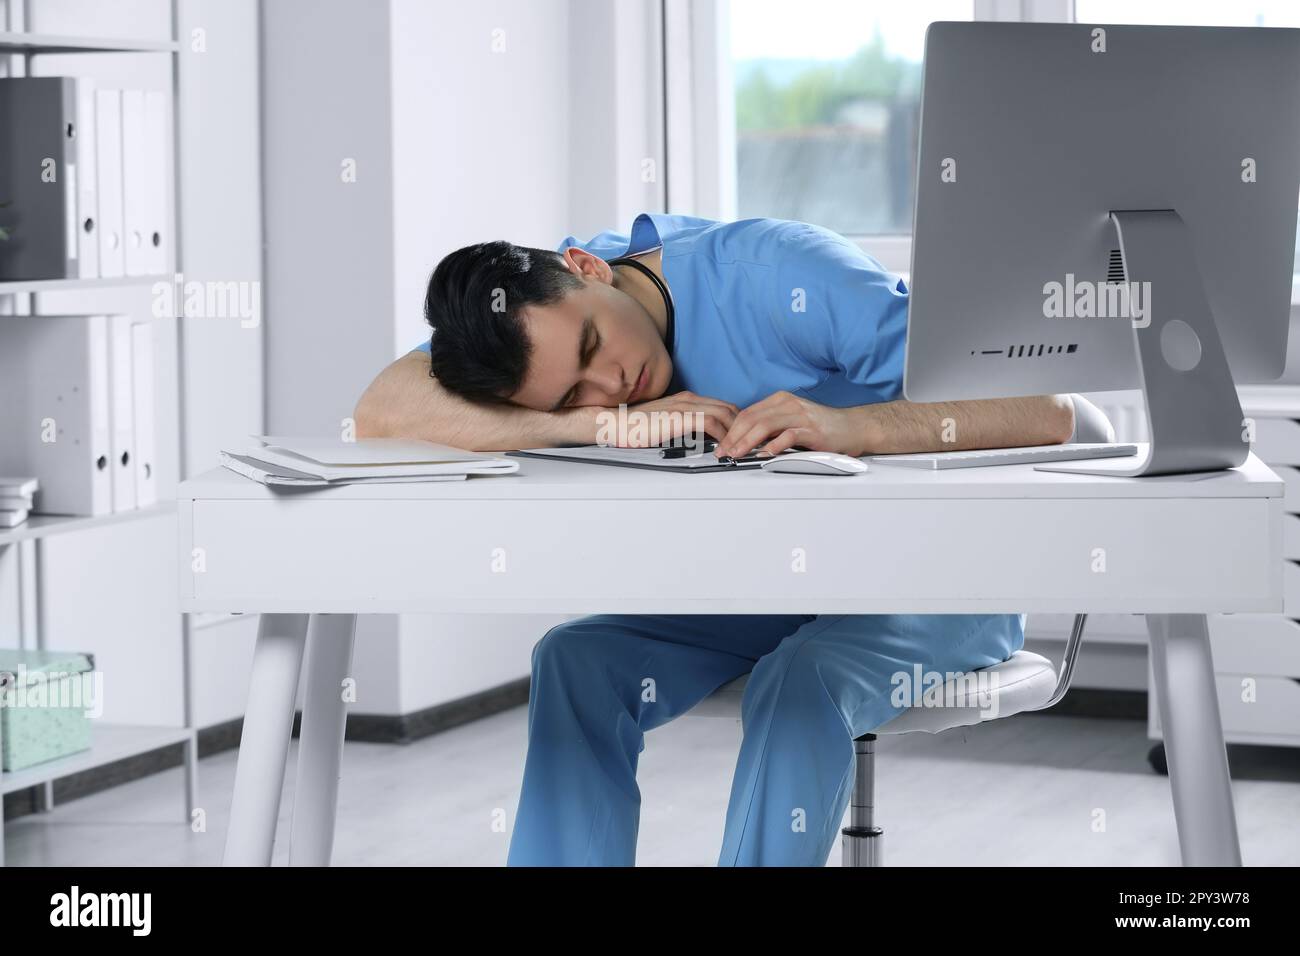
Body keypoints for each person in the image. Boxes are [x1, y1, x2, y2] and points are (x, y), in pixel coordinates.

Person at [354, 214, 1074, 865]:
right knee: (576, 660)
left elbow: (1045, 407)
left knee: (802, 678)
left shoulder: (781, 275)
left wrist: (855, 427)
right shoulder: (518, 325)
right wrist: (600, 425)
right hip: (784, 589)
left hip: (944, 580)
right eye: (572, 391)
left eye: (593, 345)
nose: (612, 382)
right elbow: (380, 413)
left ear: (588, 267)